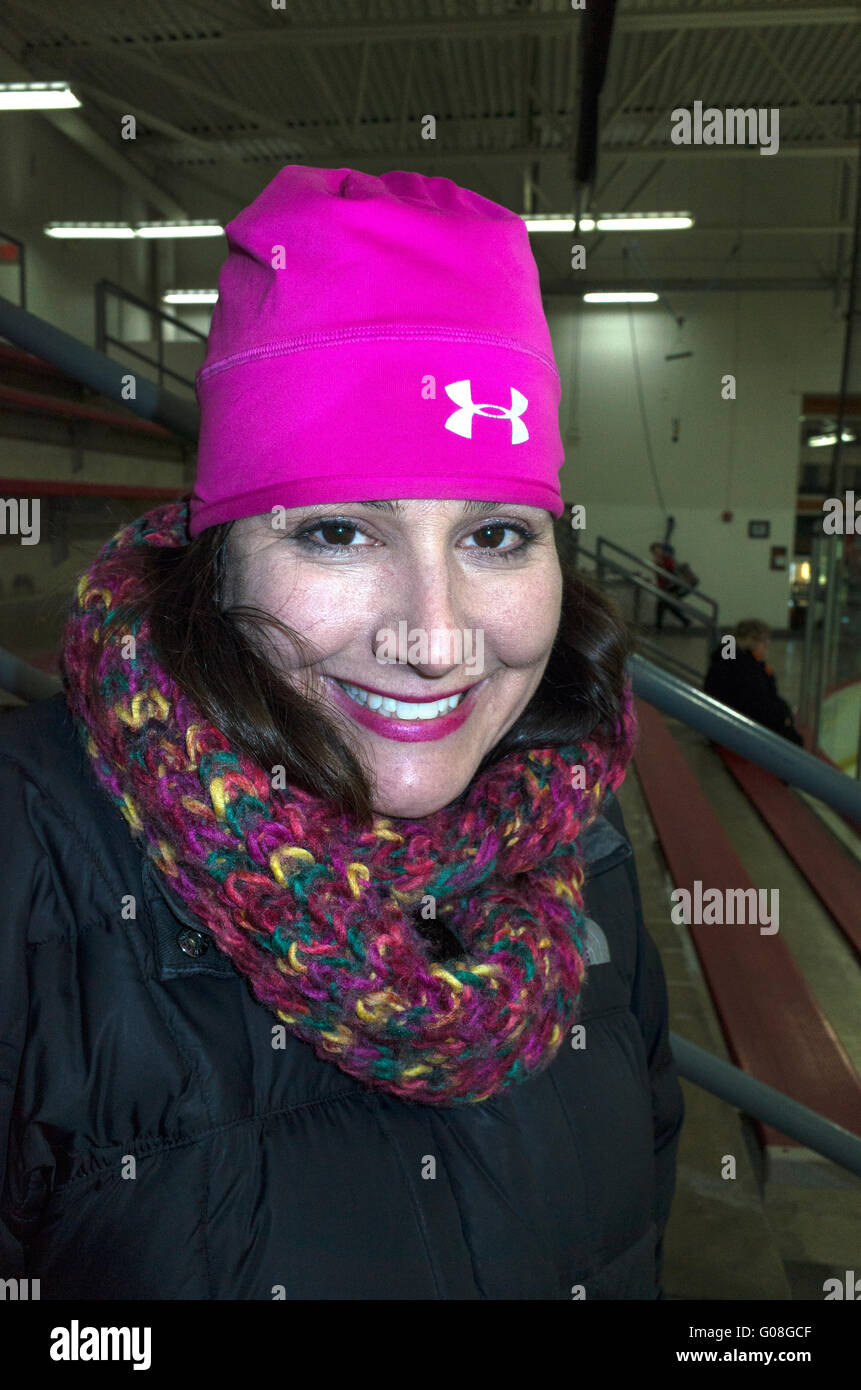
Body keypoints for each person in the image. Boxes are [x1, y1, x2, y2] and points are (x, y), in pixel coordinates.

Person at [0, 165, 683, 1300]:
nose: (433, 637)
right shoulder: (30, 870)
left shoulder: (583, 852)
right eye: (335, 532)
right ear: (216, 561)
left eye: (498, 537)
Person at [704, 618, 804, 745]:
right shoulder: (744, 667)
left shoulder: (732, 656)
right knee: (795, 741)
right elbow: (757, 703)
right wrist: (783, 716)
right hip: (734, 725)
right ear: (751, 641)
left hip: (726, 720)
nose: (768, 645)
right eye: (764, 641)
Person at [649, 541, 691, 631]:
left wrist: (661, 564)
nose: (658, 553)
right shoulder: (656, 562)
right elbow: (659, 577)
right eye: (655, 552)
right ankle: (685, 621)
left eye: (659, 550)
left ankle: (659, 627)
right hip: (665, 587)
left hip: (673, 586)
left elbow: (671, 572)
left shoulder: (667, 560)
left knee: (663, 605)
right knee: (665, 605)